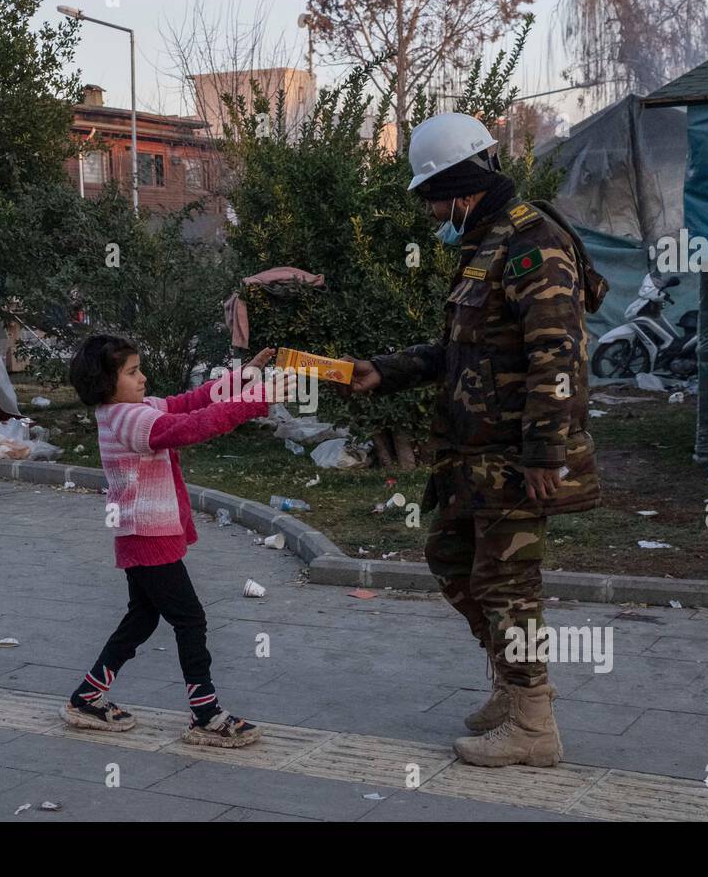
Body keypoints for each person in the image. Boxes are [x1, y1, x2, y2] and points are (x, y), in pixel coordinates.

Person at [344, 112, 607, 767]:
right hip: (475, 458)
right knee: (452, 559)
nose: (433, 211)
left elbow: (559, 353)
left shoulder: (530, 244)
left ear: (460, 187)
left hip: (517, 458)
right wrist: (388, 370)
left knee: (506, 580)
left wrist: (546, 451)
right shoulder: (487, 246)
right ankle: (512, 687)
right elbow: (461, 350)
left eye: (434, 197)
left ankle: (533, 723)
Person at [62, 336, 291, 748]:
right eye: (132, 372)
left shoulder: (135, 409)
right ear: (104, 382)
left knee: (143, 617)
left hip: (144, 535)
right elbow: (190, 427)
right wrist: (258, 398)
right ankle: (206, 715)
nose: (143, 377)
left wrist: (244, 377)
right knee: (190, 620)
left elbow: (191, 402)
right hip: (148, 537)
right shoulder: (126, 420)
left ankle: (86, 698)